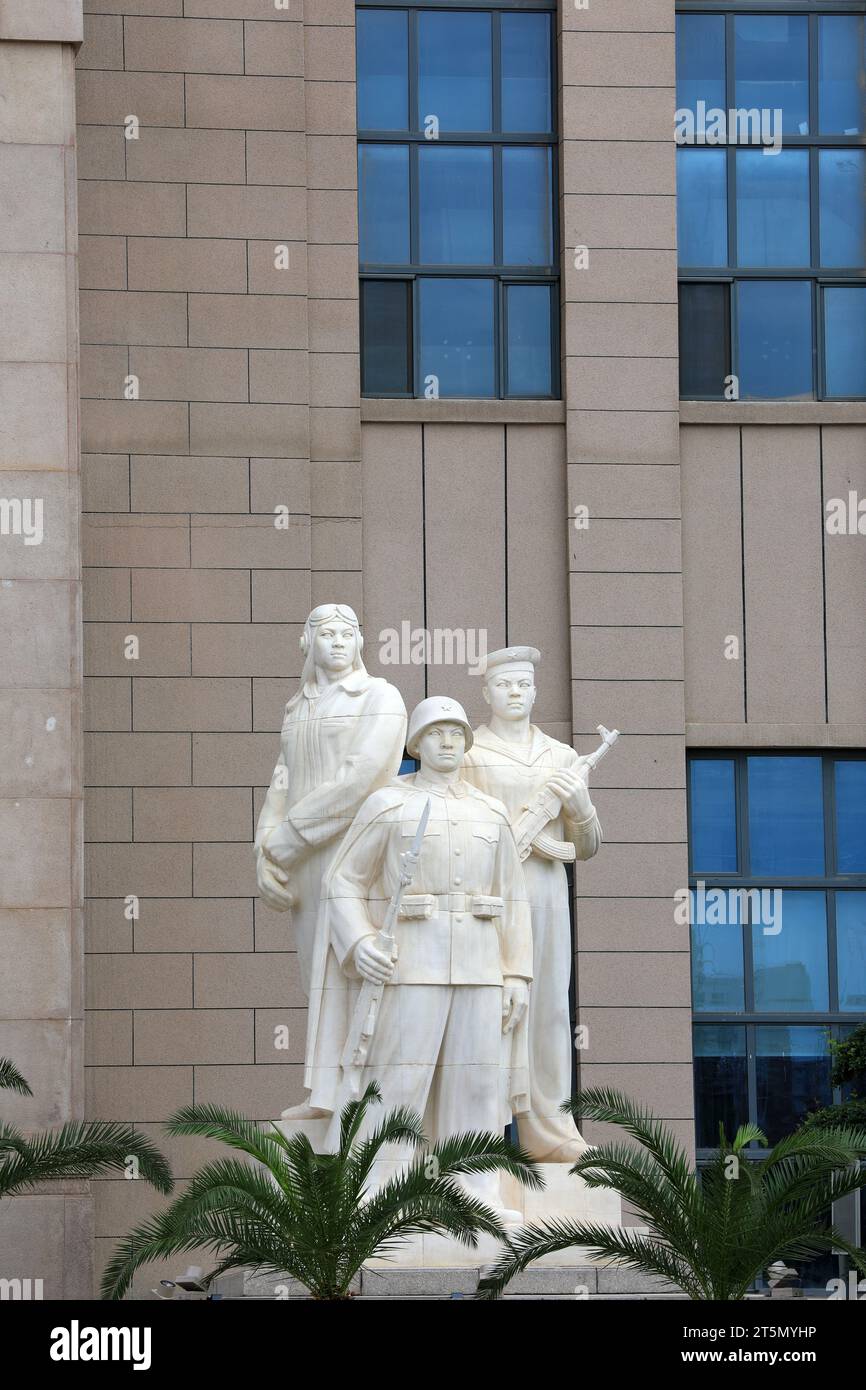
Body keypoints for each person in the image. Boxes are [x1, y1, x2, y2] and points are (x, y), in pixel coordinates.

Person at [305, 697, 533, 1219]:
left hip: (480, 969)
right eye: (436, 733)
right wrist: (360, 942)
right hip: (410, 965)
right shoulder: (388, 804)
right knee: (397, 1082)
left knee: (476, 1084)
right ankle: (376, 1193)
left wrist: (516, 972)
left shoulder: (491, 812)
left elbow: (514, 900)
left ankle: (474, 1195)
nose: (448, 742)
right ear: (416, 744)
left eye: (456, 733)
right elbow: (342, 880)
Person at [462, 646, 602, 1162]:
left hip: (543, 893)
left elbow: (582, 847)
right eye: (504, 685)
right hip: (488, 894)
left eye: (523, 684)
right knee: (485, 1003)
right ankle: (476, 1128)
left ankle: (550, 1123)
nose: (515, 693)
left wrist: (580, 806)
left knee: (546, 1008)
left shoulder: (562, 756)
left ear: (536, 691)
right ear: (486, 693)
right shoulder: (470, 753)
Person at [254, 602, 407, 998]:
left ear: (359, 640)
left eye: (346, 634)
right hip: (302, 862)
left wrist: (287, 840)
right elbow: (281, 784)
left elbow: (359, 779)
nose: (338, 643)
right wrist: (265, 855)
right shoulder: (296, 708)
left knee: (359, 976)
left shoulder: (379, 697)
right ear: (307, 643)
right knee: (317, 984)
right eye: (327, 634)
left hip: (356, 852)